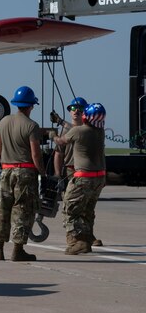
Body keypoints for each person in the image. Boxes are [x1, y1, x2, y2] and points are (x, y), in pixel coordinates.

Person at [0, 86, 47, 262]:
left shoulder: (3, 121)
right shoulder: (32, 126)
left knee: (3, 209)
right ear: (31, 106)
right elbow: (36, 154)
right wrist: (42, 172)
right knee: (22, 210)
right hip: (25, 172)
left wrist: (5, 163)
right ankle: (18, 249)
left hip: (6, 170)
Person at [54, 102, 107, 255]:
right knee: (88, 211)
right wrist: (62, 122)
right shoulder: (100, 132)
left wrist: (52, 135)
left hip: (82, 177)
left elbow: (61, 141)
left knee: (69, 211)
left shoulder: (79, 131)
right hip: (98, 178)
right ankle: (87, 237)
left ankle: (79, 241)